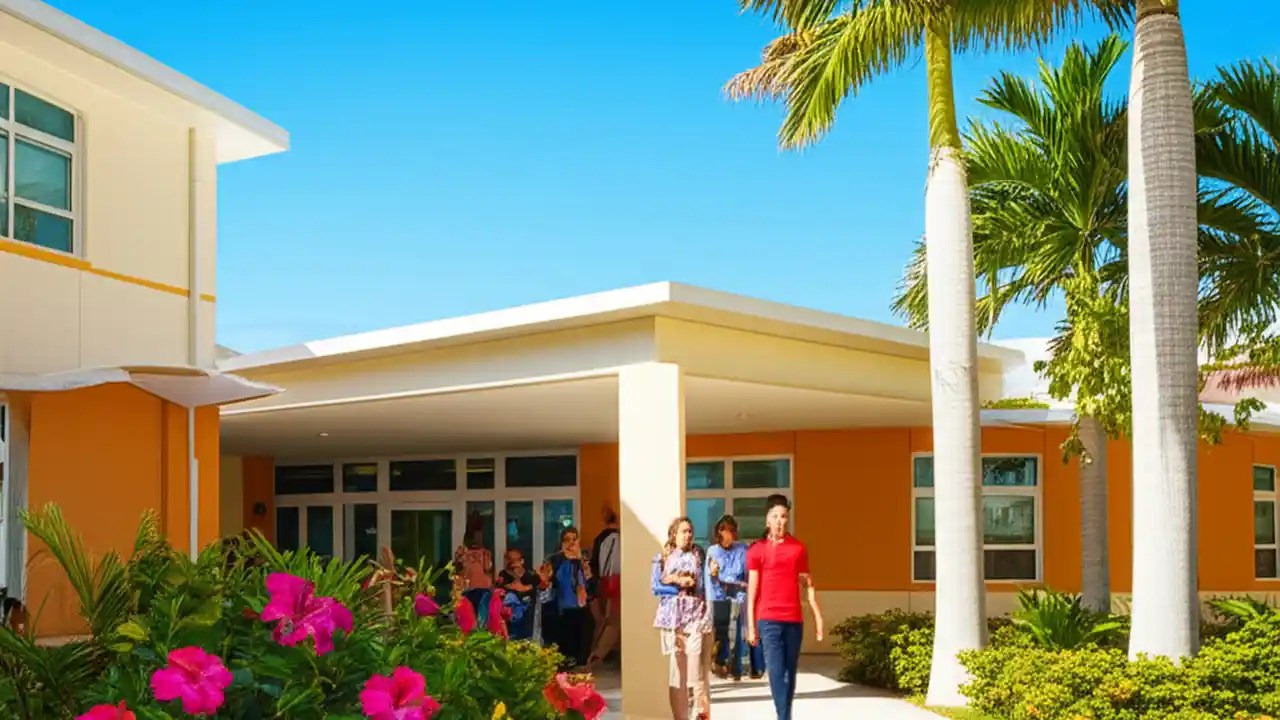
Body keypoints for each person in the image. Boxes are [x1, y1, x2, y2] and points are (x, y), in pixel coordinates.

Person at [747, 495, 824, 720]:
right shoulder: (757, 550)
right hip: (768, 619)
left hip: (793, 620)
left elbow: (809, 584)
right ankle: (784, 717)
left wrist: (818, 617)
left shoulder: (798, 549)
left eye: (783, 517)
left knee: (790, 674)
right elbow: (752, 592)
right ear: (767, 520)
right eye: (775, 516)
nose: (779, 521)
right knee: (776, 672)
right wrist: (751, 626)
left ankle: (785, 715)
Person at [653, 516, 713, 720]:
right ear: (674, 534)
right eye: (683, 531)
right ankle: (679, 716)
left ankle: (699, 712)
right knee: (677, 670)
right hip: (672, 617)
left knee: (695, 670)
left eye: (690, 531)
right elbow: (656, 586)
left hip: (695, 615)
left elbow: (703, 585)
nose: (687, 535)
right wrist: (677, 581)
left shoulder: (698, 554)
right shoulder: (664, 556)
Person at [706, 514, 758, 681]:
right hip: (719, 596)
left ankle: (737, 668)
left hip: (739, 596)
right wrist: (715, 574)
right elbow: (712, 576)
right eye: (724, 531)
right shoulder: (713, 551)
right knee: (722, 631)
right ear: (718, 533)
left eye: (731, 531)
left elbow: (748, 574)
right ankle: (720, 663)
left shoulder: (743, 549)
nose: (727, 535)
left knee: (739, 632)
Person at [543, 526, 591, 669]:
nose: (571, 543)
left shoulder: (583, 560)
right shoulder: (555, 560)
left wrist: (582, 565)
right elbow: (548, 580)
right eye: (567, 540)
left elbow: (590, 581)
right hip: (563, 607)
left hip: (581, 606)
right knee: (567, 643)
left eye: (574, 539)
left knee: (582, 641)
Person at [587, 506, 621, 668]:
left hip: (602, 582)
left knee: (604, 621)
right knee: (611, 622)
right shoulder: (616, 538)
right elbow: (614, 564)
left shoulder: (600, 539)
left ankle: (596, 653)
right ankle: (597, 654)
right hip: (614, 583)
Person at [496, 548, 540, 640]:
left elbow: (538, 588)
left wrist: (524, 587)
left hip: (528, 618)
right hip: (510, 620)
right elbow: (502, 589)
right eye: (509, 559)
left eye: (514, 560)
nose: (512, 563)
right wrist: (516, 579)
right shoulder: (503, 574)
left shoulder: (531, 574)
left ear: (522, 561)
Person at [455, 529, 494, 612]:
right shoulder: (464, 553)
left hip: (481, 588)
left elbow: (487, 568)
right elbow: (459, 570)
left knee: (479, 614)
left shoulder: (484, 553)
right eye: (477, 538)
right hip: (471, 588)